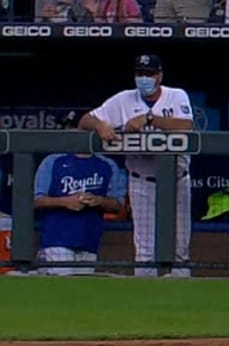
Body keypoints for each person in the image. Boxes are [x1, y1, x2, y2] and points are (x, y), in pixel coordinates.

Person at [77, 54, 195, 278]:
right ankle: (146, 303)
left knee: (180, 248)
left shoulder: (176, 95)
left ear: (159, 76)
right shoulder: (123, 99)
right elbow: (85, 120)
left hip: (176, 179)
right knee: (145, 250)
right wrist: (100, 124)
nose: (144, 78)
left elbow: (186, 125)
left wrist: (149, 119)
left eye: (149, 74)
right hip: (143, 181)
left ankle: (181, 300)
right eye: (139, 74)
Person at [32, 132, 126, 276]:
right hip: (57, 239)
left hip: (89, 239)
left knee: (82, 289)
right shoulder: (53, 161)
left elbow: (118, 205)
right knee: (61, 286)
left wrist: (98, 201)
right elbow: (36, 200)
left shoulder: (107, 165)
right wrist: (66, 202)